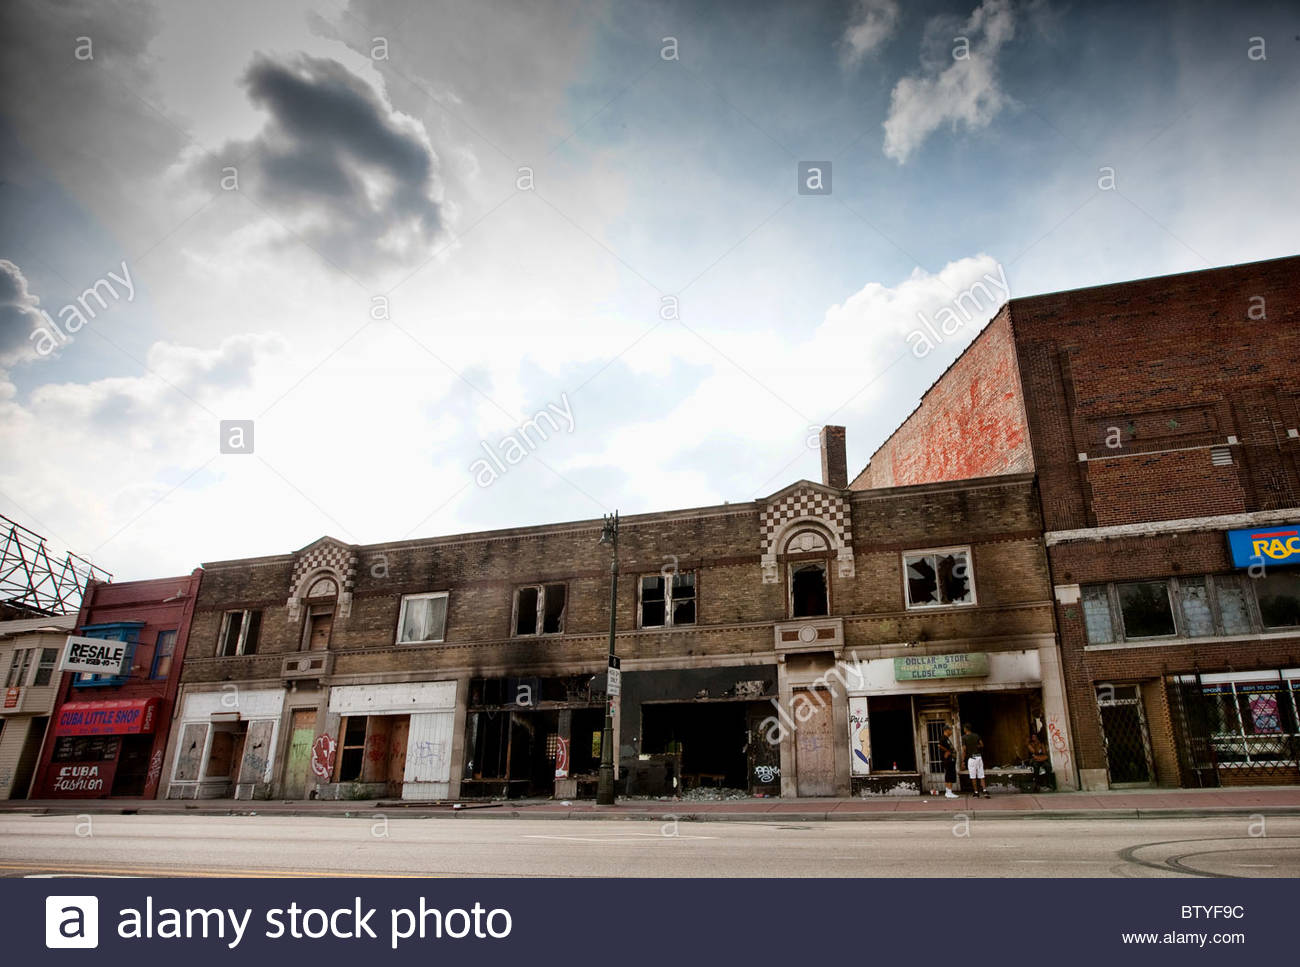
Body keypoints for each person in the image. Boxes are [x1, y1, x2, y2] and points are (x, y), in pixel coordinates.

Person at [962, 722, 989, 798]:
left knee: (973, 776)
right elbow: (982, 745)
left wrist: (963, 760)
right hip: (979, 757)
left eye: (964, 728)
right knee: (981, 774)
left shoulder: (964, 737)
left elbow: (964, 749)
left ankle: (976, 792)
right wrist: (976, 746)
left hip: (972, 758)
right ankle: (984, 790)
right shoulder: (976, 735)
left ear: (965, 729)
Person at [939, 725, 959, 798]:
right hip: (948, 760)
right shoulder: (943, 738)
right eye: (950, 730)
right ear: (946, 730)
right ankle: (949, 792)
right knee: (949, 774)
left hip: (950, 759)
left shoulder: (947, 738)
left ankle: (948, 792)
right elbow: (939, 746)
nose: (951, 731)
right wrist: (947, 751)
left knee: (949, 774)